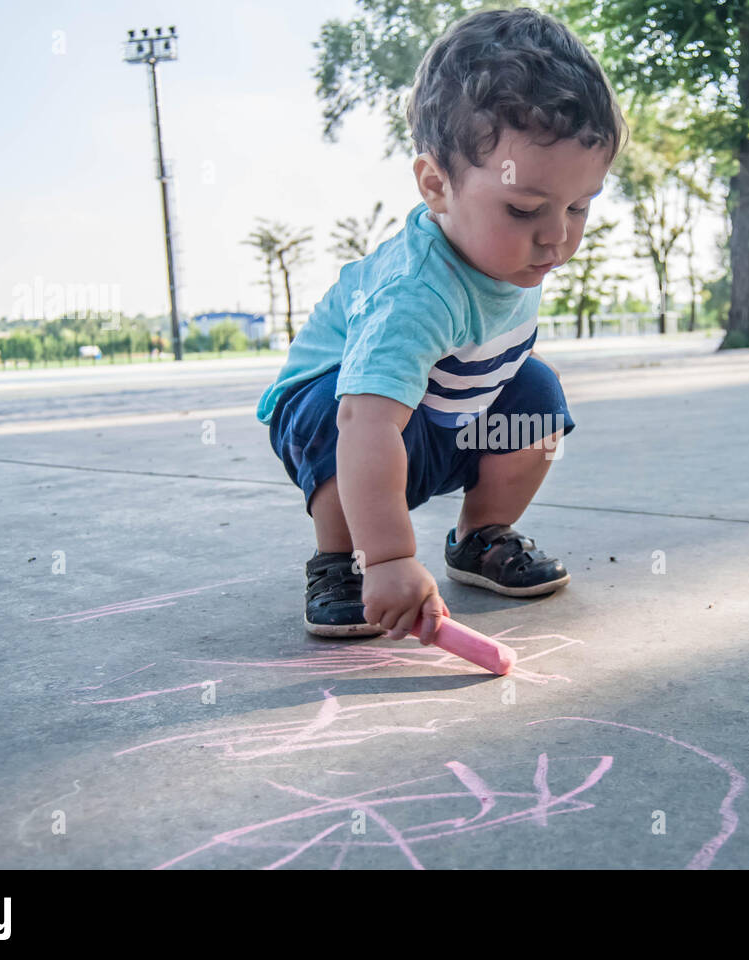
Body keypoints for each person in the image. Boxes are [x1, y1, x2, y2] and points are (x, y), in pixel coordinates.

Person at [255, 7, 628, 643]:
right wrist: (393, 558)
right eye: (525, 209)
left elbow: (500, 364)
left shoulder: (515, 252)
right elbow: (364, 421)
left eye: (579, 207)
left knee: (537, 392)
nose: (556, 237)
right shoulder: (416, 291)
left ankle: (480, 535)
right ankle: (342, 559)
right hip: (351, 428)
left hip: (443, 415)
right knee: (331, 407)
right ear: (436, 185)